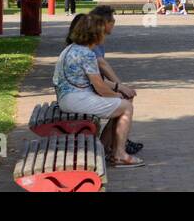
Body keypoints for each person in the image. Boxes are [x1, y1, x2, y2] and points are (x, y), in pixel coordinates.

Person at [52, 12, 143, 167]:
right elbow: (99, 87)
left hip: (68, 98)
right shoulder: (86, 54)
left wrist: (117, 89)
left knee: (121, 104)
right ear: (94, 34)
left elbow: (95, 81)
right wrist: (118, 96)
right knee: (126, 107)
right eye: (101, 32)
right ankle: (120, 155)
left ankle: (102, 148)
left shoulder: (72, 49)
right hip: (76, 100)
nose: (104, 35)